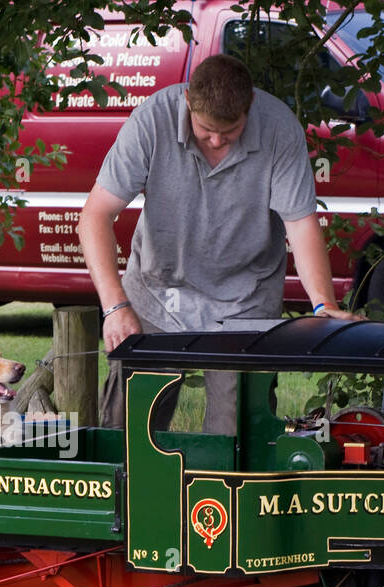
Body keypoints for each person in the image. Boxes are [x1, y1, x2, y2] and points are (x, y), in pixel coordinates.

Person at [77, 54, 361, 435]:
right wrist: (115, 307)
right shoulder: (152, 119)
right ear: (188, 103)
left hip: (245, 301)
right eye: (206, 129)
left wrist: (324, 303)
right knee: (127, 431)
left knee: (239, 435)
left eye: (229, 132)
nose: (215, 140)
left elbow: (301, 223)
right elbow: (94, 217)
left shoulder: (279, 130)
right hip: (157, 292)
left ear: (250, 107)